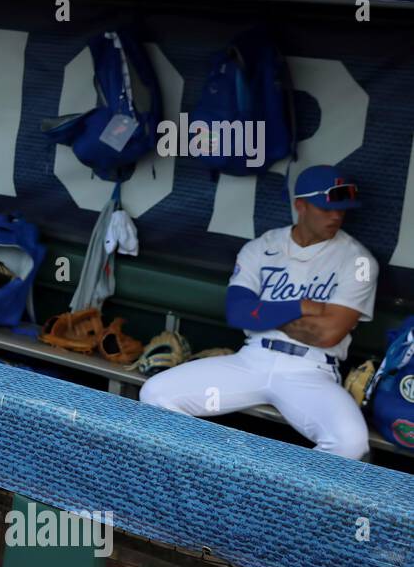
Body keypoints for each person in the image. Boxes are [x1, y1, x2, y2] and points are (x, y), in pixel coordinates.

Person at [141, 165, 377, 460]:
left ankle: (281, 500)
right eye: (326, 209)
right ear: (300, 205)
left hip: (311, 371)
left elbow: (328, 333)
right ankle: (213, 468)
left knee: (351, 443)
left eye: (342, 210)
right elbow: (238, 312)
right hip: (252, 360)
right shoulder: (262, 247)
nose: (336, 216)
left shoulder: (358, 261)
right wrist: (299, 307)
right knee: (155, 393)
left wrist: (265, 315)